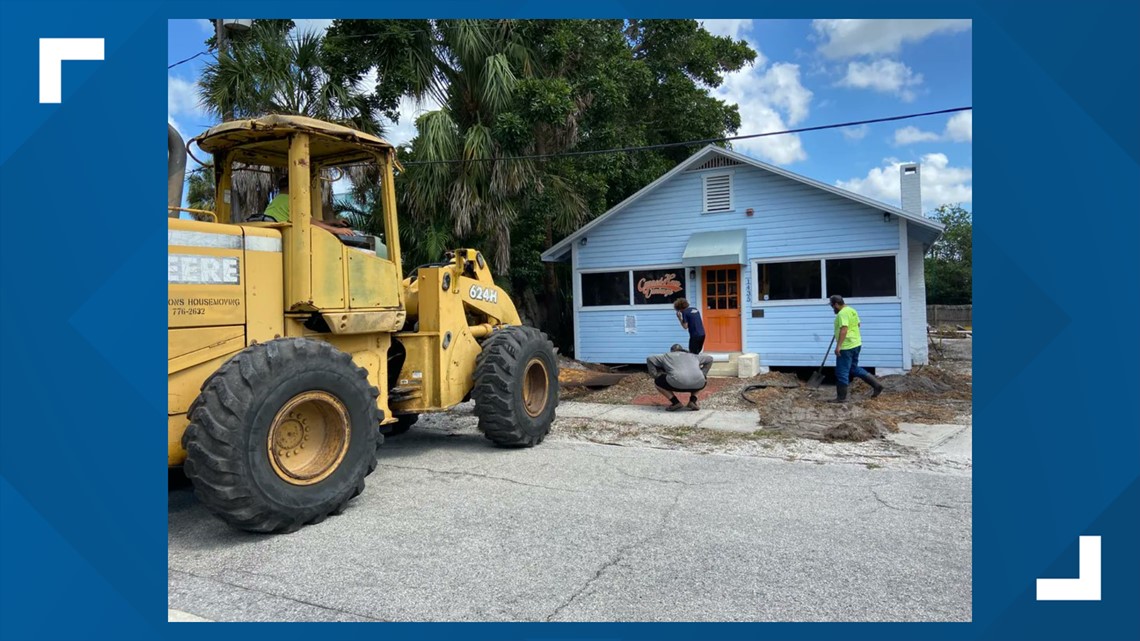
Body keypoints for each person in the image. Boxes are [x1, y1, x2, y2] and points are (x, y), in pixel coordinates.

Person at [828, 294, 884, 402]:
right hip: (856, 344)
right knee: (853, 368)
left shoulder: (842, 314)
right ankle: (877, 385)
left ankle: (841, 398)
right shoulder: (852, 310)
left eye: (832, 306)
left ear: (836, 304)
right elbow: (858, 324)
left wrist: (838, 346)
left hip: (846, 346)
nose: (832, 308)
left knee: (841, 371)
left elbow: (844, 329)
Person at [260, 176, 355, 237]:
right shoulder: (293, 201)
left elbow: (310, 220)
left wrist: (334, 221)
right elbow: (309, 222)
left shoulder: (276, 200)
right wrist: (337, 230)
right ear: (293, 186)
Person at [646, 344, 714, 412]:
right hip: (698, 384)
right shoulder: (693, 356)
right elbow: (710, 359)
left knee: (657, 382)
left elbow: (650, 359)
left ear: (672, 351)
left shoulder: (667, 356)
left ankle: (675, 402)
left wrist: (655, 375)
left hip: (675, 384)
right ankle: (692, 401)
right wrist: (703, 373)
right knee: (699, 378)